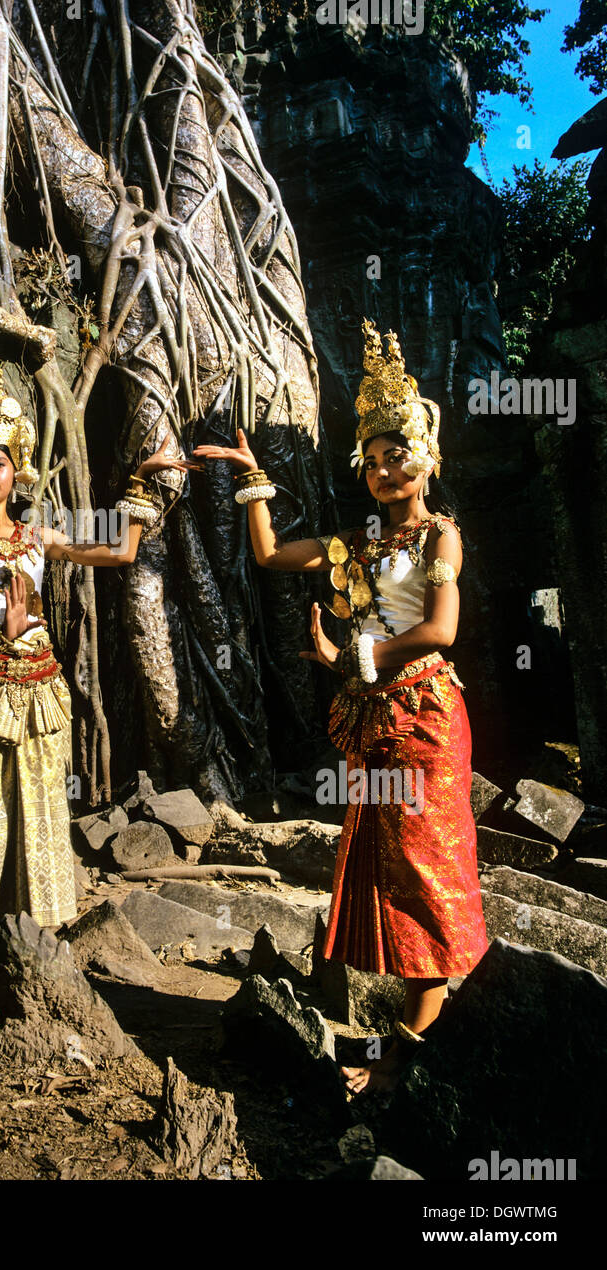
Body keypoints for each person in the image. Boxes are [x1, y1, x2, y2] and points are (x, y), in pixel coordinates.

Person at [193, 319, 488, 1093]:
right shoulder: (355, 545)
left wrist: (354, 658)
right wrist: (254, 481)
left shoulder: (440, 537)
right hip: (372, 724)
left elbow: (439, 631)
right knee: (385, 871)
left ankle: (402, 1059)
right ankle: (407, 1045)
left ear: (426, 458)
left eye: (399, 456)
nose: (385, 471)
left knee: (423, 870)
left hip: (424, 721)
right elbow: (269, 555)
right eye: (374, 460)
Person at [0, 340, 184, 1021]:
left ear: (16, 471)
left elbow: (120, 551)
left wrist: (140, 481)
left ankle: (28, 954)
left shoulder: (37, 538)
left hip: (41, 696)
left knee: (38, 829)